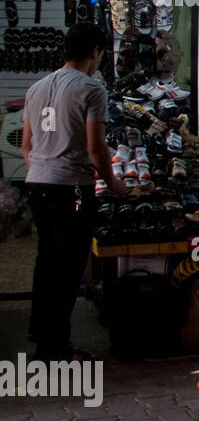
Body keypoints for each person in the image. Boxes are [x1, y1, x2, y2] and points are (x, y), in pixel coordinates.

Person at [21, 22, 126, 360]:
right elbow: (95, 148)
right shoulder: (91, 89)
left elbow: (27, 146)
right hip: (71, 190)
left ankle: (43, 340)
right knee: (67, 268)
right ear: (95, 52)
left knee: (46, 262)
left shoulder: (36, 88)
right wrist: (115, 184)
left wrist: (44, 166)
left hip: (38, 184)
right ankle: (56, 348)